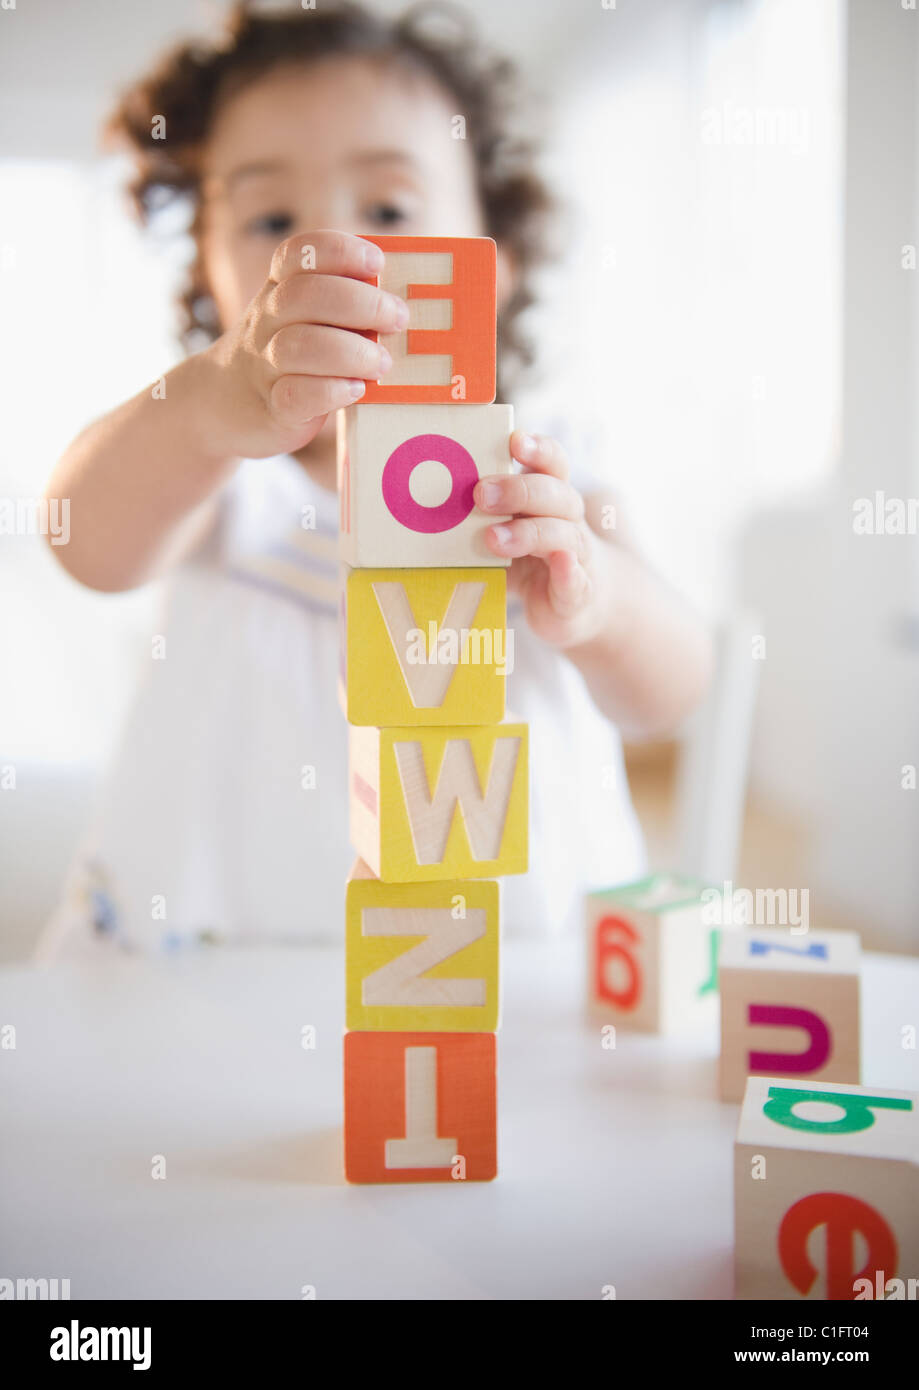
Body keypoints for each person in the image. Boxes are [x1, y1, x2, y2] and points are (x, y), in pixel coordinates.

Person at [38, 1, 712, 958]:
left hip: (493, 966)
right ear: (210, 273)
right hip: (217, 968)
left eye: (389, 210)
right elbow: (83, 544)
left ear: (495, 262)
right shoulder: (219, 472)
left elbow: (673, 691)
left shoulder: (546, 462)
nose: (332, 256)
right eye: (271, 218)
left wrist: (597, 612)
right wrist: (198, 405)